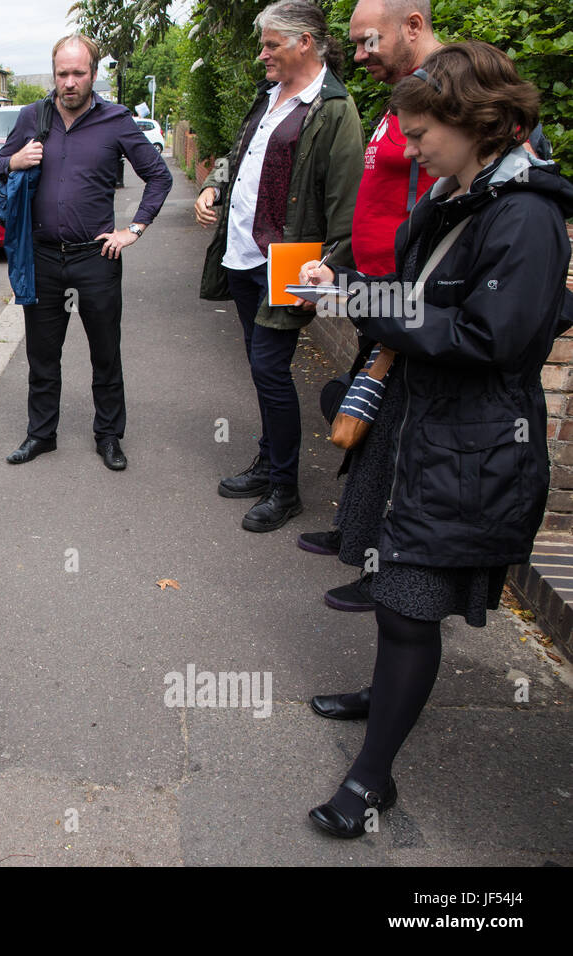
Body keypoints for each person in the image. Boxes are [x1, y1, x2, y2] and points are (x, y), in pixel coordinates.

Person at [298, 41, 573, 837]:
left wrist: (365, 302)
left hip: (467, 446)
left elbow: (492, 338)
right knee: (392, 595)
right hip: (423, 429)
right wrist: (357, 287)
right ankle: (384, 699)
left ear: (472, 121)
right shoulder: (464, 193)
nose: (409, 151)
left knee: (410, 606)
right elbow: (428, 296)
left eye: (421, 135)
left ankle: (370, 781)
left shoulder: (524, 214)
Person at [195, 0, 364, 532]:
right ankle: (269, 462)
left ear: (305, 43)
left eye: (272, 44)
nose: (263, 53)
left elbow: (346, 200)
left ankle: (285, 487)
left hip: (289, 264)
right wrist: (212, 185)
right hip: (244, 257)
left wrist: (334, 263)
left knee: (270, 369)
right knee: (259, 364)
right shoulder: (269, 97)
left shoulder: (333, 108)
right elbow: (239, 156)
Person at [296, 0, 441, 615]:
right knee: (368, 422)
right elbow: (380, 200)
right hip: (374, 292)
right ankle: (355, 533)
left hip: (408, 302)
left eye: (365, 42)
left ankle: (384, 570)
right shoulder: (401, 98)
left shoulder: (449, 101)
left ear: (412, 26)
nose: (356, 57)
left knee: (392, 438)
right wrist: (342, 263)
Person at [0, 33, 172, 472]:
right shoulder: (31, 117)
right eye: (62, 73)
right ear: (53, 74)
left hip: (96, 257)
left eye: (78, 73)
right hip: (42, 257)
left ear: (93, 74)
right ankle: (41, 435)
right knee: (41, 353)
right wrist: (15, 161)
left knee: (105, 352)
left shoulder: (116, 120)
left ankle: (109, 436)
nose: (69, 82)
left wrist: (133, 229)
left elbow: (158, 176)